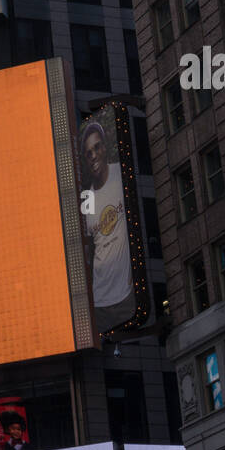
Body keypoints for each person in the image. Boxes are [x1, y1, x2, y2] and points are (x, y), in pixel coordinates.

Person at [82, 120, 136, 333]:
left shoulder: (121, 175)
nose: (93, 155)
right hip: (101, 301)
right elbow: (87, 250)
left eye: (96, 147)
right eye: (88, 153)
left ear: (104, 147)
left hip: (128, 293)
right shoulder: (87, 200)